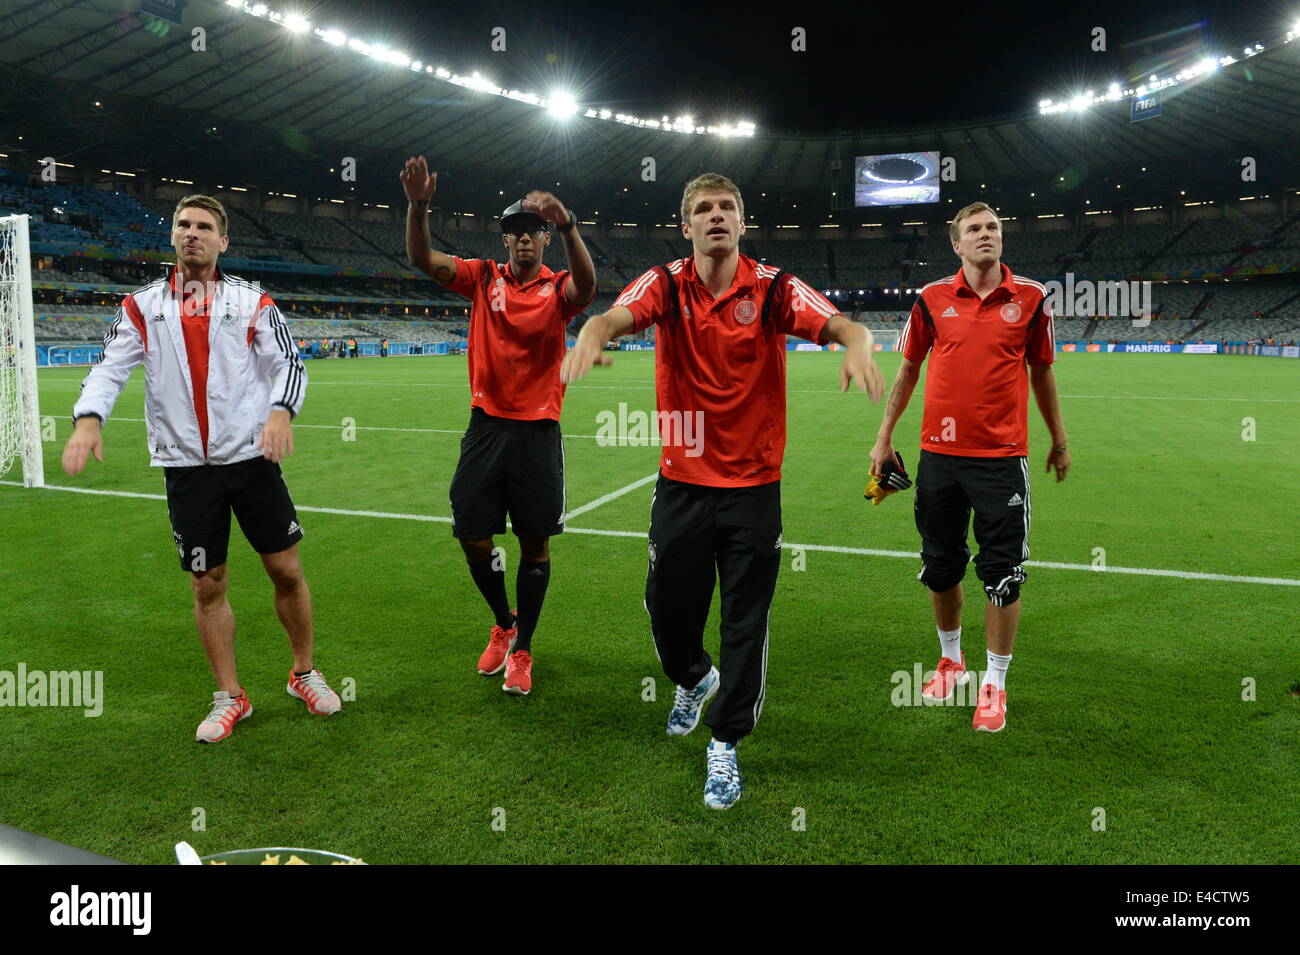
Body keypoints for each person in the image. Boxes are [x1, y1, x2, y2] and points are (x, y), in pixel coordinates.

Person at [563, 172, 885, 809]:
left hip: (752, 491)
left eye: (727, 208)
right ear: (688, 227)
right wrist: (592, 336)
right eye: (704, 209)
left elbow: (843, 326)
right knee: (665, 605)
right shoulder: (666, 283)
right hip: (682, 484)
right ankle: (692, 677)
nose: (716, 216)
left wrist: (861, 344)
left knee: (746, 619)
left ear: (742, 224)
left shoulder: (771, 288)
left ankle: (726, 744)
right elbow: (612, 317)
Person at [62, 194, 340, 743]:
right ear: (172, 236)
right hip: (187, 469)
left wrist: (281, 411)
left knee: (285, 570)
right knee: (207, 582)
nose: (192, 233)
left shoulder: (252, 301)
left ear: (222, 241)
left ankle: (303, 673)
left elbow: (288, 360)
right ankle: (230, 696)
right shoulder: (142, 306)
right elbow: (109, 369)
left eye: (204, 226)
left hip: (252, 460)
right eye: (183, 225)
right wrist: (88, 419)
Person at [401, 154, 599, 696]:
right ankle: (504, 622)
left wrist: (569, 226)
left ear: (544, 240)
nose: (523, 240)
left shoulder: (558, 289)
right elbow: (423, 258)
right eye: (514, 233)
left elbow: (587, 288)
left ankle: (525, 649)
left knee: (535, 546)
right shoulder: (481, 278)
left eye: (532, 232)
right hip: (486, 427)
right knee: (470, 532)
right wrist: (419, 205)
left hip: (538, 433)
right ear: (505, 242)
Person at [869, 201, 1069, 734]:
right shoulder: (931, 299)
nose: (985, 235)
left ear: (1002, 239)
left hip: (1002, 461)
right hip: (939, 457)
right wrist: (884, 437)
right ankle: (952, 661)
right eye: (974, 230)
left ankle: (994, 684)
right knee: (940, 564)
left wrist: (1058, 439)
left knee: (1002, 576)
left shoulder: (1031, 298)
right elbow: (909, 367)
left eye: (993, 227)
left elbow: (1043, 371)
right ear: (957, 244)